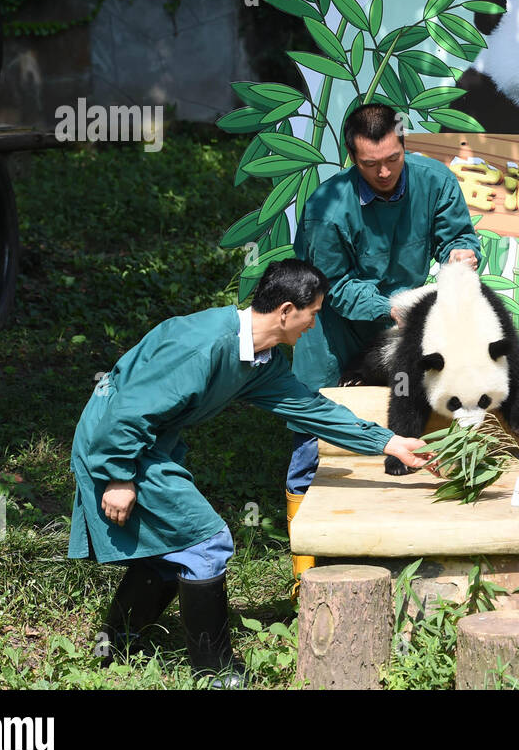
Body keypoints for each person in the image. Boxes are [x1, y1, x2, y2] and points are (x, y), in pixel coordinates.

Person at [68, 259, 431, 688]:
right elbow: (130, 410)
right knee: (206, 542)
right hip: (117, 444)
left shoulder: (259, 359)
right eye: (313, 313)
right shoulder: (202, 345)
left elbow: (310, 408)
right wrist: (118, 477)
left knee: (170, 550)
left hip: (146, 445)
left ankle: (113, 646)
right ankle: (215, 672)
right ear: (285, 311)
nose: (313, 325)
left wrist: (388, 443)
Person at [287, 103, 481, 532]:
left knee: (402, 414)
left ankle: (386, 539)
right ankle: (308, 556)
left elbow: (459, 235)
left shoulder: (436, 181)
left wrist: (462, 253)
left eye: (393, 159)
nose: (384, 172)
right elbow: (329, 287)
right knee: (316, 449)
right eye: (370, 164)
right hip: (334, 340)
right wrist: (389, 307)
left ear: (404, 144)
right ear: (352, 158)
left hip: (395, 341)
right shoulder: (327, 208)